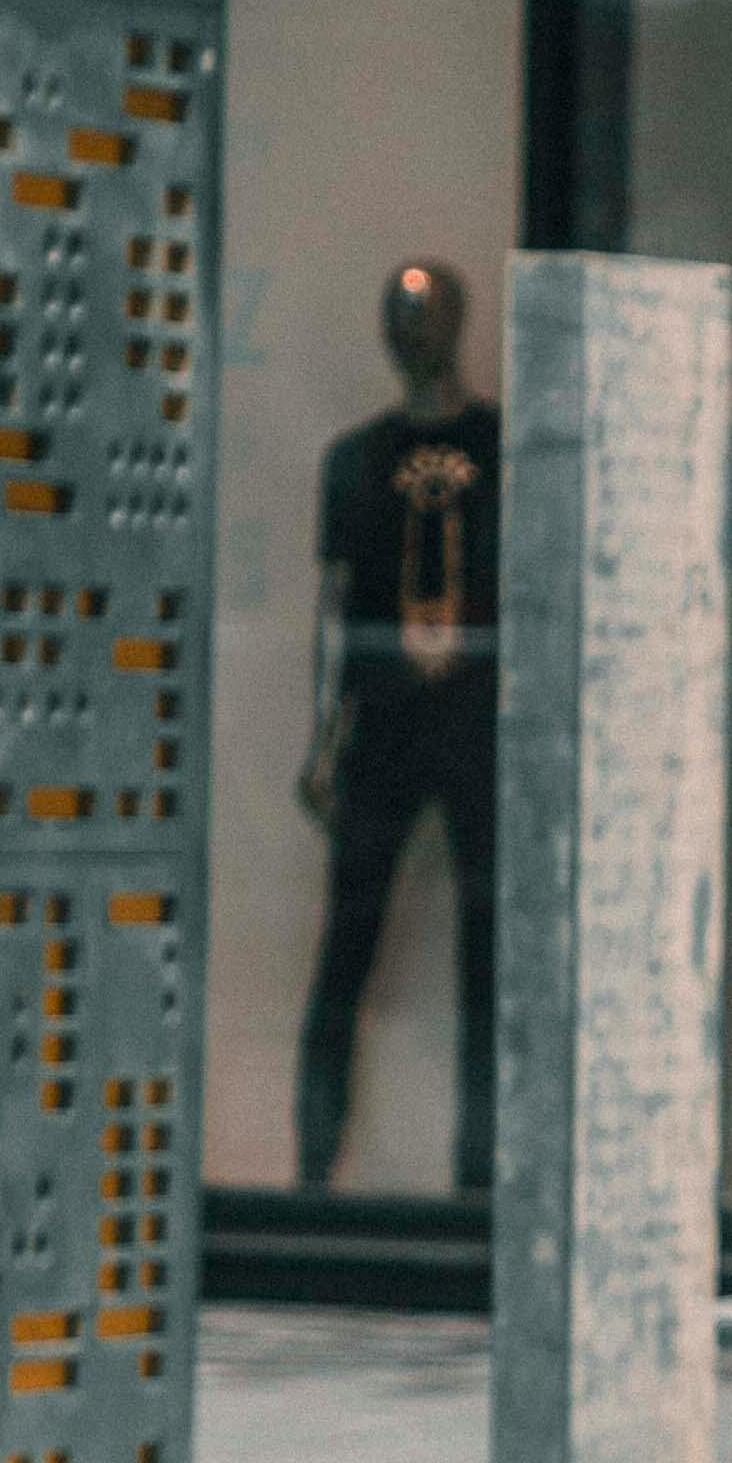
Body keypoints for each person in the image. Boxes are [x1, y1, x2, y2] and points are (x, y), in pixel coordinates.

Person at [296, 262, 500, 1192]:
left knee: (490, 954)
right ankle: (311, 1168)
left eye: (426, 310)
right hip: (382, 723)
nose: (410, 326)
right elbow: (334, 610)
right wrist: (324, 738)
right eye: (398, 312)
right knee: (347, 944)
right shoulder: (355, 461)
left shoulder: (507, 450)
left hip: (477, 723)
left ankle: (482, 1174)